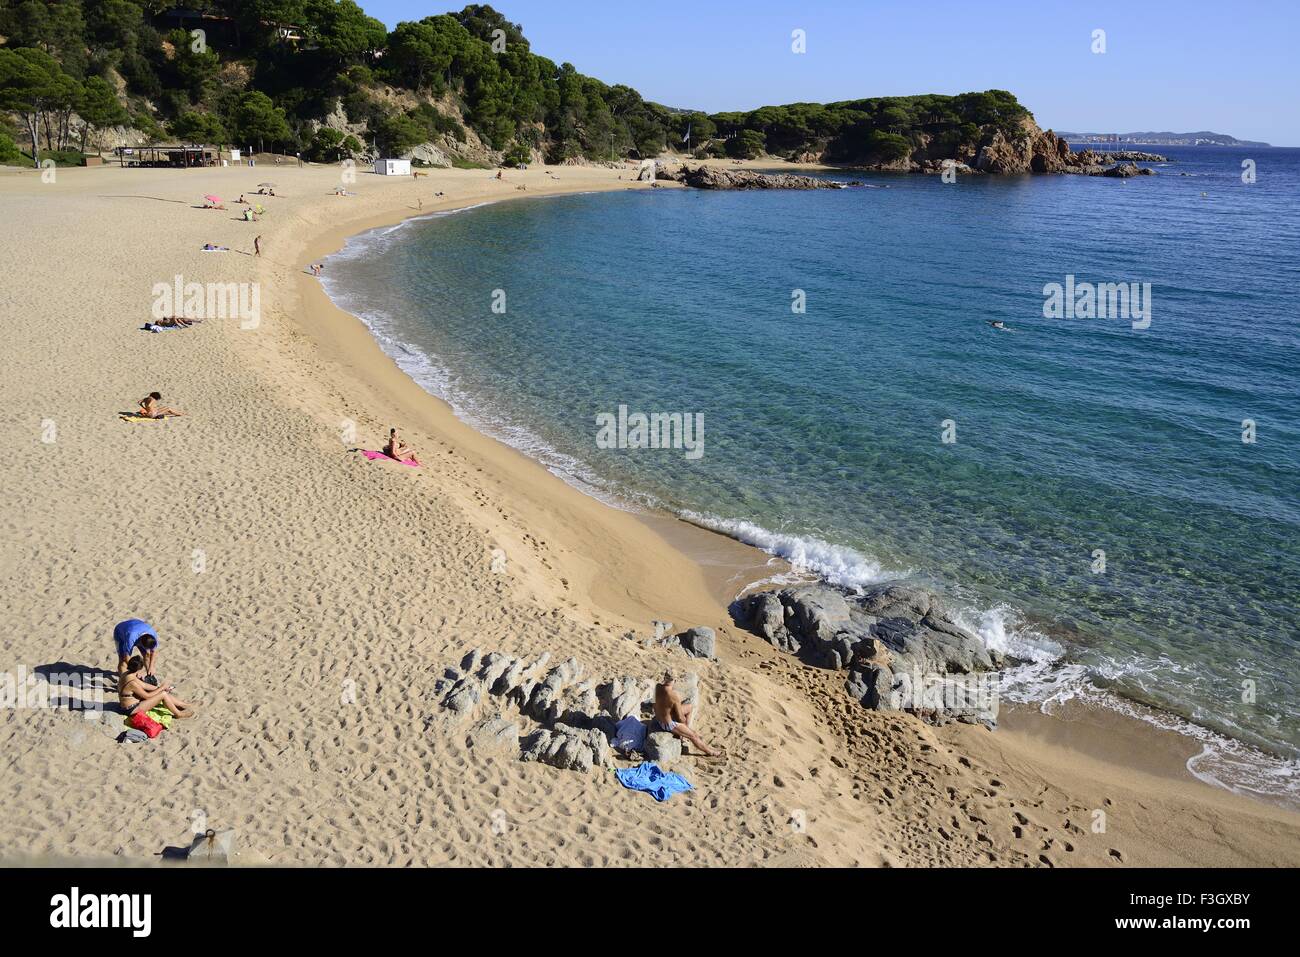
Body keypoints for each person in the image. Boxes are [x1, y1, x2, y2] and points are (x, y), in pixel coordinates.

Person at [653, 672, 724, 757]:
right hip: (668, 724)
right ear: (675, 680)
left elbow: (655, 704)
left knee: (689, 707)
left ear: (664, 678)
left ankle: (685, 733)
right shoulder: (674, 695)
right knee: (694, 736)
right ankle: (711, 752)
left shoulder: (657, 687)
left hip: (660, 718)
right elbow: (680, 717)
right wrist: (684, 722)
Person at [119, 656, 196, 718]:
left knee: (161, 691)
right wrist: (161, 688)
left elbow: (144, 685)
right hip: (131, 709)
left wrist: (159, 688)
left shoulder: (127, 674)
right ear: (139, 669)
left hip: (130, 705)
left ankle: (183, 705)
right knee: (163, 694)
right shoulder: (132, 683)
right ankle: (178, 714)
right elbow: (147, 696)